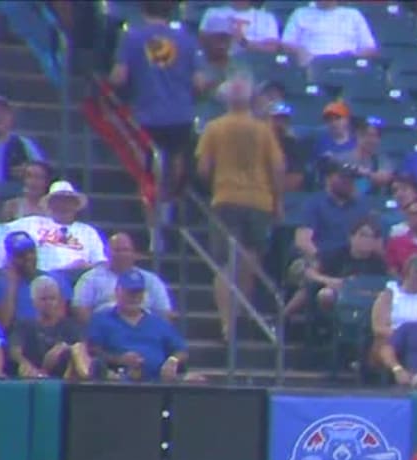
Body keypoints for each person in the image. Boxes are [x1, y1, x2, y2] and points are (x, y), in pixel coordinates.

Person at [196, 75, 285, 340]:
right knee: (250, 259)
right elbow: (278, 167)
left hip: (225, 197)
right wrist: (278, 202)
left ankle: (227, 323)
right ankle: (243, 313)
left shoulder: (214, 128)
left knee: (225, 264)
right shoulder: (263, 129)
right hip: (259, 200)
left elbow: (203, 168)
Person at [109, 0, 199, 203]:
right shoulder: (186, 38)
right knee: (176, 156)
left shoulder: (132, 37)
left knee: (147, 170)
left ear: (142, 7)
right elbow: (199, 82)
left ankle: (151, 207)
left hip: (146, 114)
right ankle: (171, 203)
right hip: (181, 113)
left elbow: (119, 77)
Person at [85, 269, 193, 383]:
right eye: (129, 293)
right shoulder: (101, 319)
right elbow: (93, 352)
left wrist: (172, 361)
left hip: (157, 382)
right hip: (116, 381)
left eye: (138, 293)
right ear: (117, 292)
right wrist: (119, 359)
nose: (134, 297)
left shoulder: (158, 322)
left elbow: (181, 350)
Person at [7, 275, 90, 380]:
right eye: (43, 299)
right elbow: (15, 351)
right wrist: (26, 365)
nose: (49, 303)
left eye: (52, 298)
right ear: (34, 301)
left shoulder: (70, 326)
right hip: (35, 375)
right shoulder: (23, 326)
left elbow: (81, 349)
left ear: (58, 300)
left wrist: (63, 348)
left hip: (67, 376)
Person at [0, 94, 46, 184]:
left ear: (11, 117)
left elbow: (42, 172)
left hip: (14, 195)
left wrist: (28, 171)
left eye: (3, 112)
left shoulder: (23, 144)